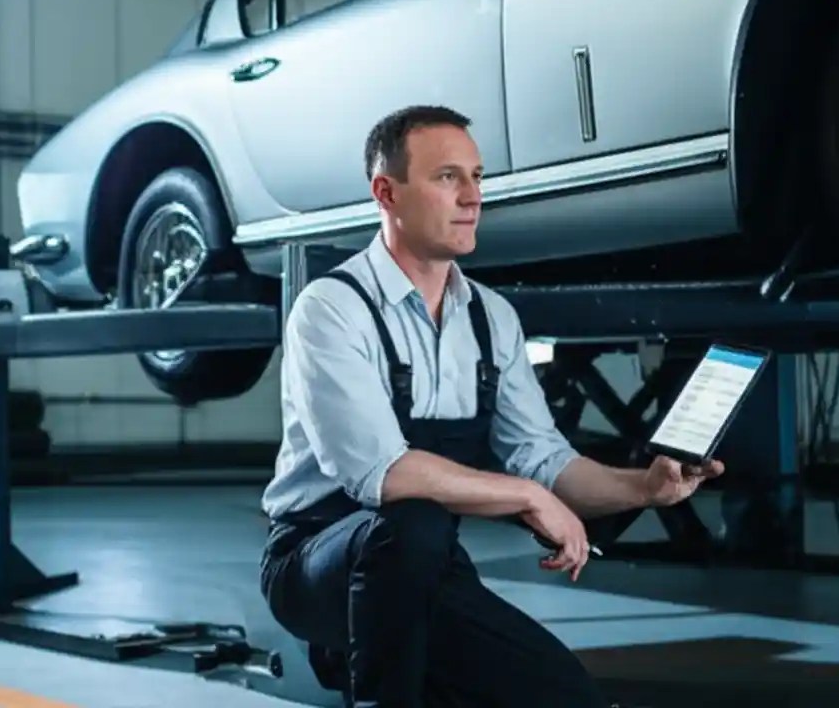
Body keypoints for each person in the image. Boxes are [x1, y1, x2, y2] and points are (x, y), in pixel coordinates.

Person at [258, 105, 725, 708]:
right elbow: (384, 474)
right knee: (412, 519)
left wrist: (646, 488)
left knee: (567, 698)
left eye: (477, 177)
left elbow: (541, 459)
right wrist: (532, 499)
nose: (473, 197)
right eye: (448, 177)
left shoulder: (491, 318)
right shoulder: (332, 308)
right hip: (313, 565)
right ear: (386, 192)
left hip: (426, 571)